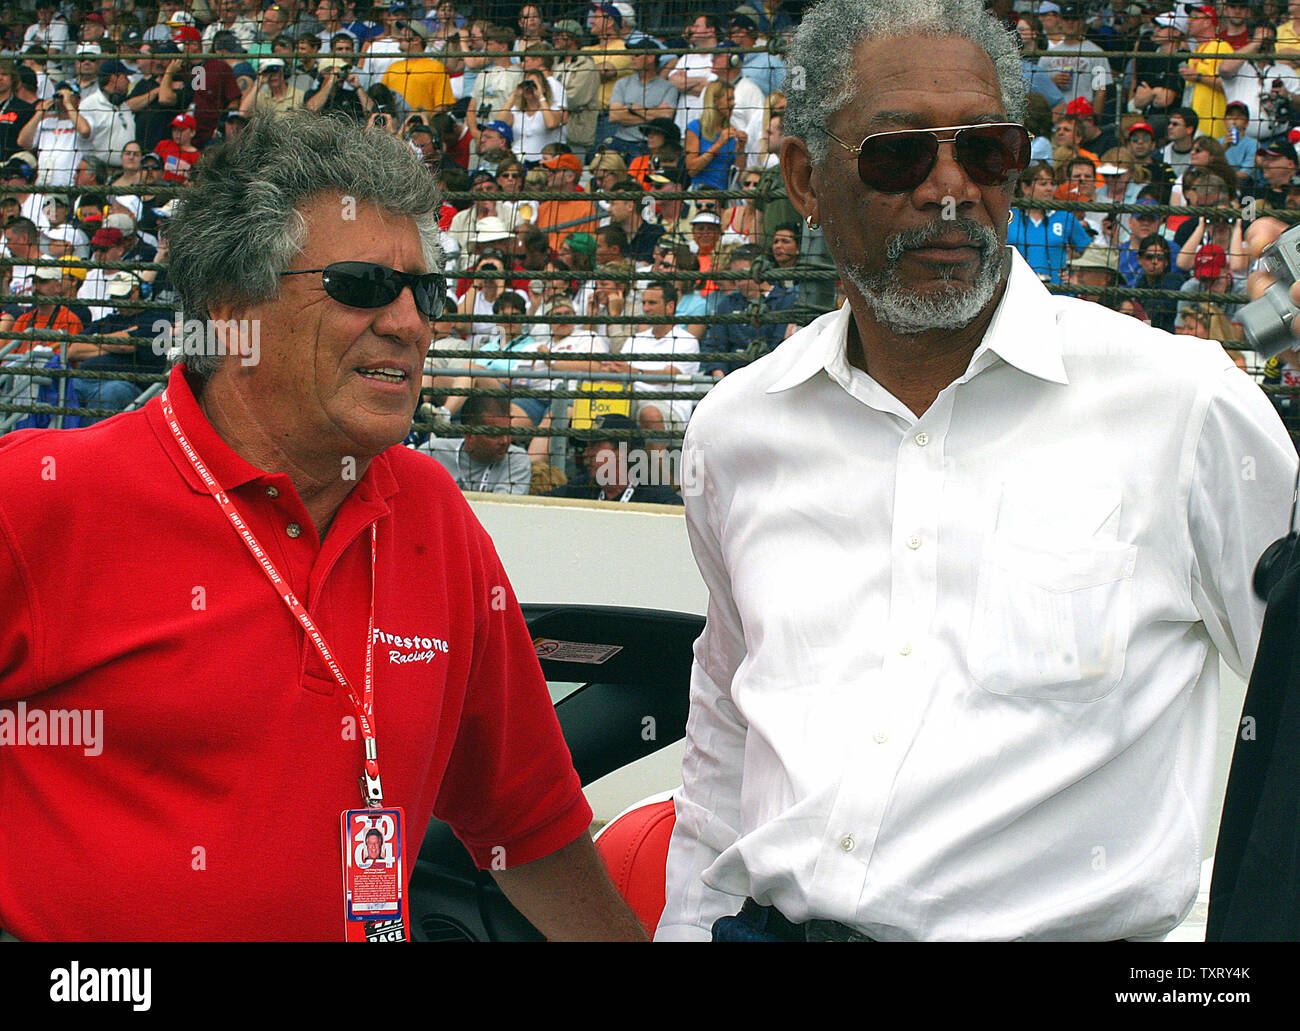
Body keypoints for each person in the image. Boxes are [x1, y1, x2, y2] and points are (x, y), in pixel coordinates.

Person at [657, 0, 1297, 944]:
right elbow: (724, 737)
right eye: (898, 153)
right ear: (805, 178)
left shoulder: (1184, 404)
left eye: (987, 151)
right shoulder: (739, 429)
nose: (950, 189)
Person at [0, 111, 646, 942]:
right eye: (364, 285)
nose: (411, 323)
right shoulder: (45, 496)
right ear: (234, 307)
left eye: (426, 291)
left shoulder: (434, 515)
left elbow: (528, 821)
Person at [413, 393, 532, 495]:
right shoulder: (432, 452)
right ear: (468, 435)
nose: (505, 441)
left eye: (508, 432)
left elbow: (504, 512)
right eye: (495, 435)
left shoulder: (516, 459)